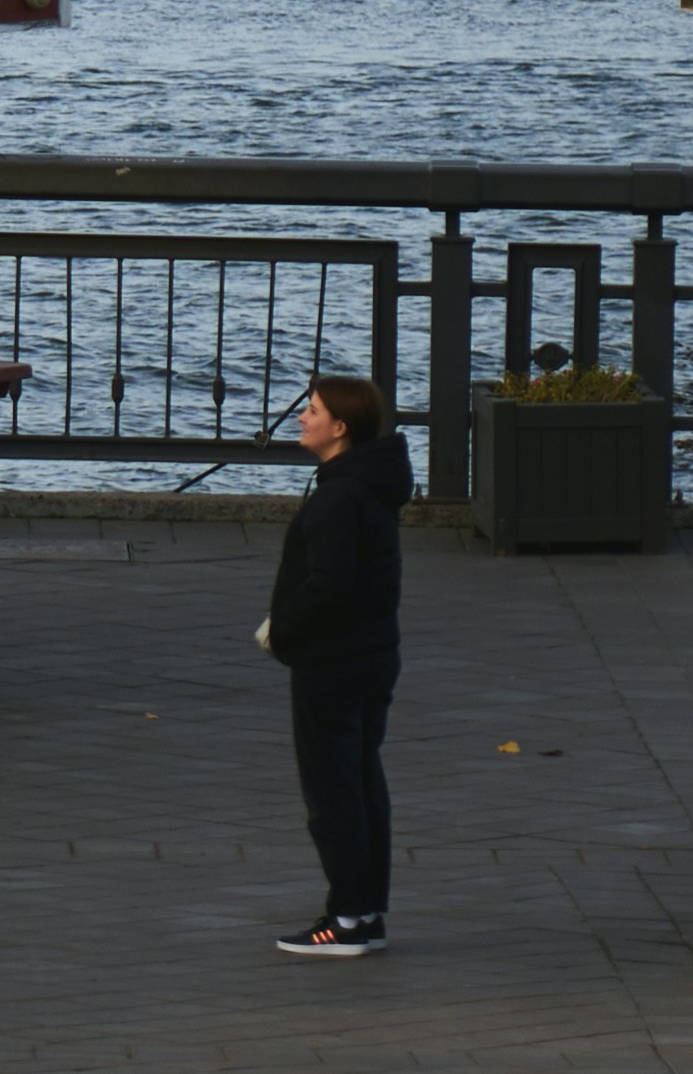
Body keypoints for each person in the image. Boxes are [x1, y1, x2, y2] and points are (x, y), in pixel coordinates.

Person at [265, 371, 410, 957]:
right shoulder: (371, 485)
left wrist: (282, 632)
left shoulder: (336, 497)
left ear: (340, 428)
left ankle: (346, 918)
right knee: (362, 780)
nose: (302, 416)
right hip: (374, 654)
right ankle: (367, 910)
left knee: (333, 794)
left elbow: (328, 587)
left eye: (313, 409)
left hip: (333, 663)